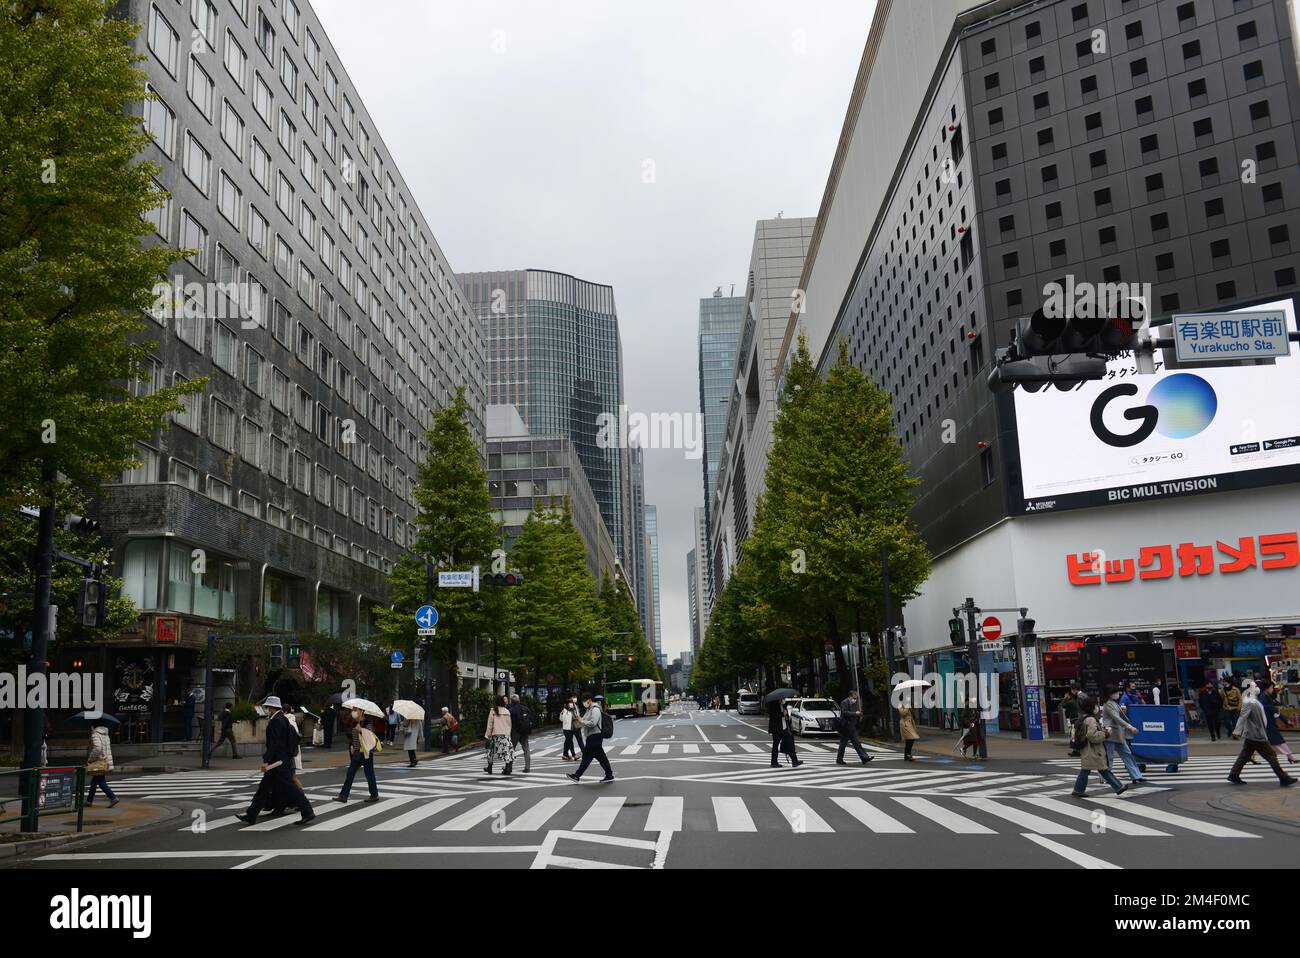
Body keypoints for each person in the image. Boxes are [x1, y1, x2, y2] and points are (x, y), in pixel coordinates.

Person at [237, 696, 314, 825]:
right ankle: (251, 814)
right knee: (264, 788)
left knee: (290, 788)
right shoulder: (282, 719)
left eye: (267, 707)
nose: (267, 709)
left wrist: (266, 760)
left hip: (277, 762)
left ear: (272, 707)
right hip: (280, 760)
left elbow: (274, 743)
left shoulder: (276, 721)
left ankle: (308, 811)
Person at [1228, 683, 1296, 786]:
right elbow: (1243, 717)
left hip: (1253, 734)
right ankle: (1283, 778)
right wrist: (1237, 731)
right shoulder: (1250, 702)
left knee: (1245, 755)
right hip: (1256, 734)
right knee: (1271, 755)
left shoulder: (1254, 700)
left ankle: (1233, 774)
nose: (1257, 689)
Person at [1071, 698, 1128, 798]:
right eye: (1095, 705)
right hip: (1094, 749)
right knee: (1102, 768)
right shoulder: (1091, 719)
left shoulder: (1083, 718)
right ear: (1091, 707)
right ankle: (1118, 787)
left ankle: (1078, 790)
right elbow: (1092, 736)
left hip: (1087, 749)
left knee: (1087, 769)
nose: (1097, 708)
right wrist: (1105, 734)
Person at [1101, 683, 1148, 786]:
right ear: (1109, 694)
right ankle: (1105, 777)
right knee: (1109, 757)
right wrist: (1129, 727)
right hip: (1111, 734)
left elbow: (1119, 716)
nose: (1117, 694)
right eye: (1115, 692)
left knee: (1127, 754)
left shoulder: (1114, 702)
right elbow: (1116, 718)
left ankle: (1136, 776)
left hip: (1118, 734)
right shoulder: (1108, 704)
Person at [568, 692, 614, 782]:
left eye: (585, 701)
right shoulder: (589, 709)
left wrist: (582, 721)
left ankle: (577, 775)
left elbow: (593, 723)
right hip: (591, 736)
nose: (584, 703)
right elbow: (583, 720)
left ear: (589, 700)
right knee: (600, 756)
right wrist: (579, 720)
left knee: (587, 757)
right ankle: (609, 774)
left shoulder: (595, 709)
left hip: (595, 736)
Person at [335, 708, 380, 802]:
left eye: (356, 710)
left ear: (362, 711)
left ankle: (374, 795)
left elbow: (370, 737)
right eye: (353, 709)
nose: (353, 712)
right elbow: (353, 736)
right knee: (350, 773)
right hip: (356, 752)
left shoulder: (367, 722)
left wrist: (361, 730)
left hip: (366, 753)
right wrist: (352, 745)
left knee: (369, 774)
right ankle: (343, 796)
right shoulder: (354, 722)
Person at [1259, 680, 1296, 764]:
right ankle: (1290, 756)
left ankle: (1250, 756)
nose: (1272, 689)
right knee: (1277, 740)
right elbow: (1269, 708)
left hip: (1266, 722)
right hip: (1267, 723)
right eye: (1271, 687)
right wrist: (1276, 710)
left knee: (1257, 743)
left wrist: (1285, 720)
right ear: (1266, 688)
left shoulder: (1266, 696)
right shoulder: (1264, 697)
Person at [84, 724, 119, 808]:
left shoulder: (96, 734)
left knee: (101, 781)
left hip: (98, 762)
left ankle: (113, 797)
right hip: (104, 761)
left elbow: (98, 748)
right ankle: (89, 801)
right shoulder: (105, 734)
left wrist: (90, 759)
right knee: (94, 782)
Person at [836, 689, 874, 765]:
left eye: (856, 698)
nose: (855, 700)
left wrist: (859, 714)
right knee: (843, 743)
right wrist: (855, 713)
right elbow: (845, 712)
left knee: (856, 742)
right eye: (854, 698)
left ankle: (864, 757)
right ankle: (839, 759)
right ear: (850, 696)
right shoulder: (844, 702)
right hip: (845, 725)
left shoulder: (854, 703)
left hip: (852, 726)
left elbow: (854, 713)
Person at [767, 697, 801, 769]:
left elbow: (786, 716)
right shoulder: (773, 705)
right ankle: (774, 762)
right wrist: (782, 714)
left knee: (790, 742)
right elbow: (773, 716)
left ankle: (794, 761)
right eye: (782, 698)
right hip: (776, 729)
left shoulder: (783, 705)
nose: (783, 699)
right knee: (775, 745)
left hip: (784, 728)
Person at [484, 696, 514, 775]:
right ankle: (507, 767)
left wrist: (488, 735)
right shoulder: (507, 711)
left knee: (491, 751)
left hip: (496, 735)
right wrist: (508, 733)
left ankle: (489, 767)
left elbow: (490, 724)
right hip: (505, 735)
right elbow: (509, 724)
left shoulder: (493, 711)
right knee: (506, 751)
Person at [508, 693, 533, 773]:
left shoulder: (510, 710)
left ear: (511, 701)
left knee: (511, 749)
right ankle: (527, 767)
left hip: (515, 731)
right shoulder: (525, 708)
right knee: (526, 749)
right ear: (519, 700)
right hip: (525, 730)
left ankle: (509, 767)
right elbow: (531, 718)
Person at [560, 696, 581, 761]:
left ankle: (565, 754)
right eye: (570, 703)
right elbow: (561, 719)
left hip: (571, 728)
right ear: (567, 704)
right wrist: (565, 712)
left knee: (568, 742)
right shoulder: (564, 710)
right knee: (570, 742)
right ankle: (574, 755)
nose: (571, 704)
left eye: (571, 703)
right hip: (566, 729)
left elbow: (576, 716)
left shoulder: (573, 709)